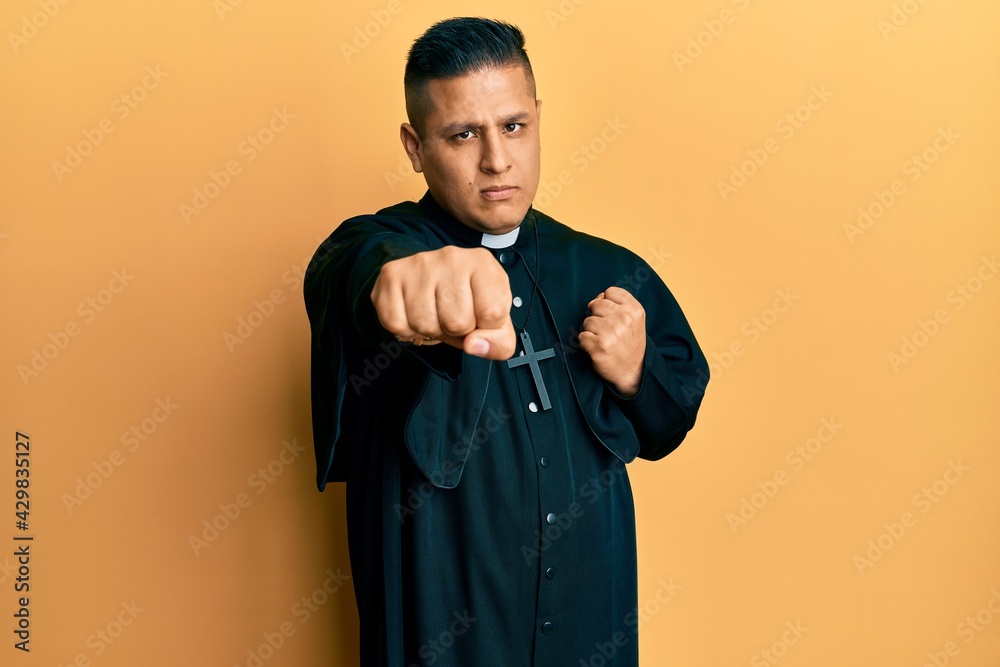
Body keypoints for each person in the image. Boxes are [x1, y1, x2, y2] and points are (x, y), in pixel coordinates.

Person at [304, 17, 709, 666]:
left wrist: (638, 374)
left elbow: (670, 423)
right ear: (415, 146)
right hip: (447, 622)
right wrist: (400, 281)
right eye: (463, 134)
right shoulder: (385, 246)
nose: (496, 159)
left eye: (514, 126)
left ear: (539, 119)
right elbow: (350, 268)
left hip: (590, 613)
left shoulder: (606, 268)